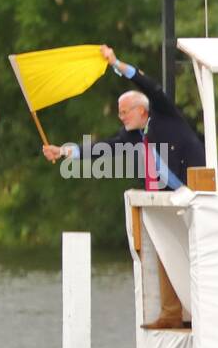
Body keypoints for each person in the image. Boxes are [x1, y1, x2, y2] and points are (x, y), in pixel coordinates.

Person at [41, 45, 207, 329]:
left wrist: (117, 64)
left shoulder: (165, 114)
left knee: (206, 250)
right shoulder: (131, 136)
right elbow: (102, 148)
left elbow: (148, 85)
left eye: (124, 112)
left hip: (203, 185)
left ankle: (212, 311)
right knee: (167, 247)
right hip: (170, 198)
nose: (121, 117)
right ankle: (170, 315)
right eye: (118, 113)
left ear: (142, 110)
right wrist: (65, 152)